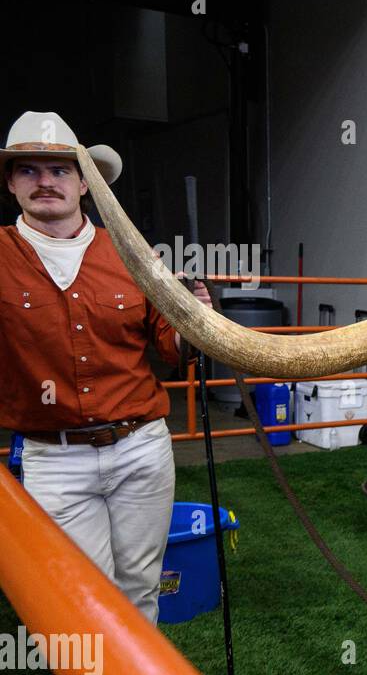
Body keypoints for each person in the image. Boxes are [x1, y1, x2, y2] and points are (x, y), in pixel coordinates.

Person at [0, 110, 211, 625]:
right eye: (28, 169)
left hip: (141, 447)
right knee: (83, 593)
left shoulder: (133, 252)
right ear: (10, 182)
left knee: (141, 582)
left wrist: (196, 318)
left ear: (85, 183)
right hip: (55, 458)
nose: (46, 181)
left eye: (61, 170)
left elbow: (170, 345)